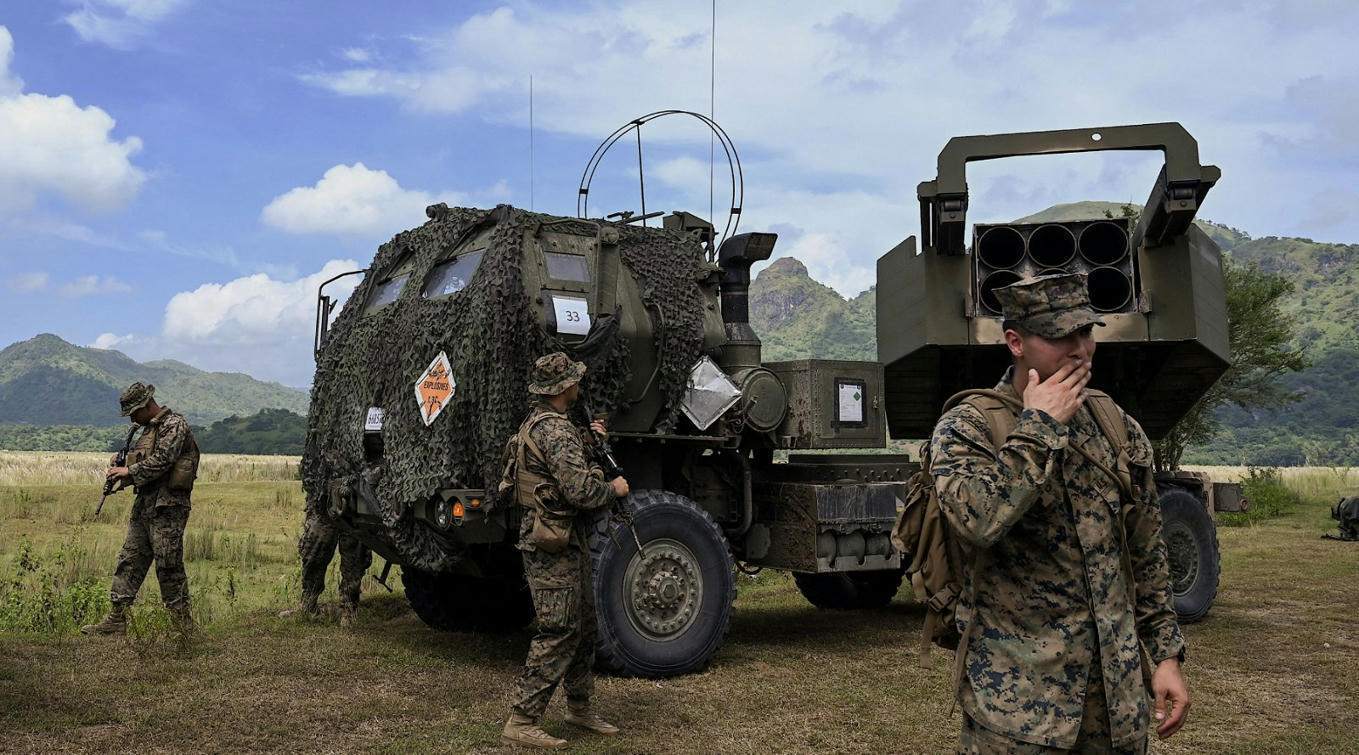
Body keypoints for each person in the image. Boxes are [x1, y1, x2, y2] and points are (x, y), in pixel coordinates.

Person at [930, 273, 1190, 753]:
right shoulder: (969, 426)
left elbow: (1146, 552)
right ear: (1015, 342)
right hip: (1017, 711)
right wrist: (1038, 428)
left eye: (1086, 332)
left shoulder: (1115, 425)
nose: (1080, 350)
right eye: (1059, 336)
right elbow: (976, 521)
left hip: (1117, 706)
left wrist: (1167, 656)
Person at [501, 352, 630, 750]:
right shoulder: (556, 431)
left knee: (584, 625)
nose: (579, 384)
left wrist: (593, 445)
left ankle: (579, 707)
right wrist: (613, 488)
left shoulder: (546, 423)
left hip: (562, 536)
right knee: (559, 629)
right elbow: (581, 492)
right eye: (574, 380)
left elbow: (564, 474)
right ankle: (522, 720)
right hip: (550, 540)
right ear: (564, 388)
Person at [83, 382, 200, 635]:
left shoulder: (174, 425)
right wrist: (121, 462)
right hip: (146, 505)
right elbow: (145, 458)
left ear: (147, 405)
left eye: (134, 412)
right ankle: (116, 619)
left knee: (168, 565)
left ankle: (182, 626)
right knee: (130, 559)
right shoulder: (148, 430)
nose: (132, 419)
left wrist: (128, 471)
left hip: (168, 508)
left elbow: (164, 459)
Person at [278, 494, 372, 627]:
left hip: (356, 500)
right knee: (314, 548)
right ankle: (308, 605)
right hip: (324, 499)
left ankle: (349, 610)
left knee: (354, 555)